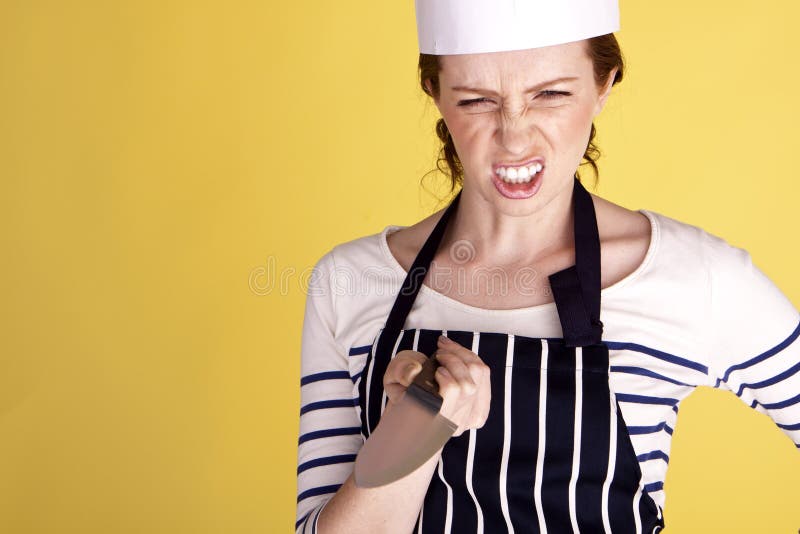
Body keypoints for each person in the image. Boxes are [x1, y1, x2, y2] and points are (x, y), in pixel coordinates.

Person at [295, 1, 800, 532]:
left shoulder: (696, 279)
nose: (514, 137)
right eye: (476, 100)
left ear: (604, 85)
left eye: (552, 94)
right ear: (436, 95)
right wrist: (414, 430)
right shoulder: (349, 284)